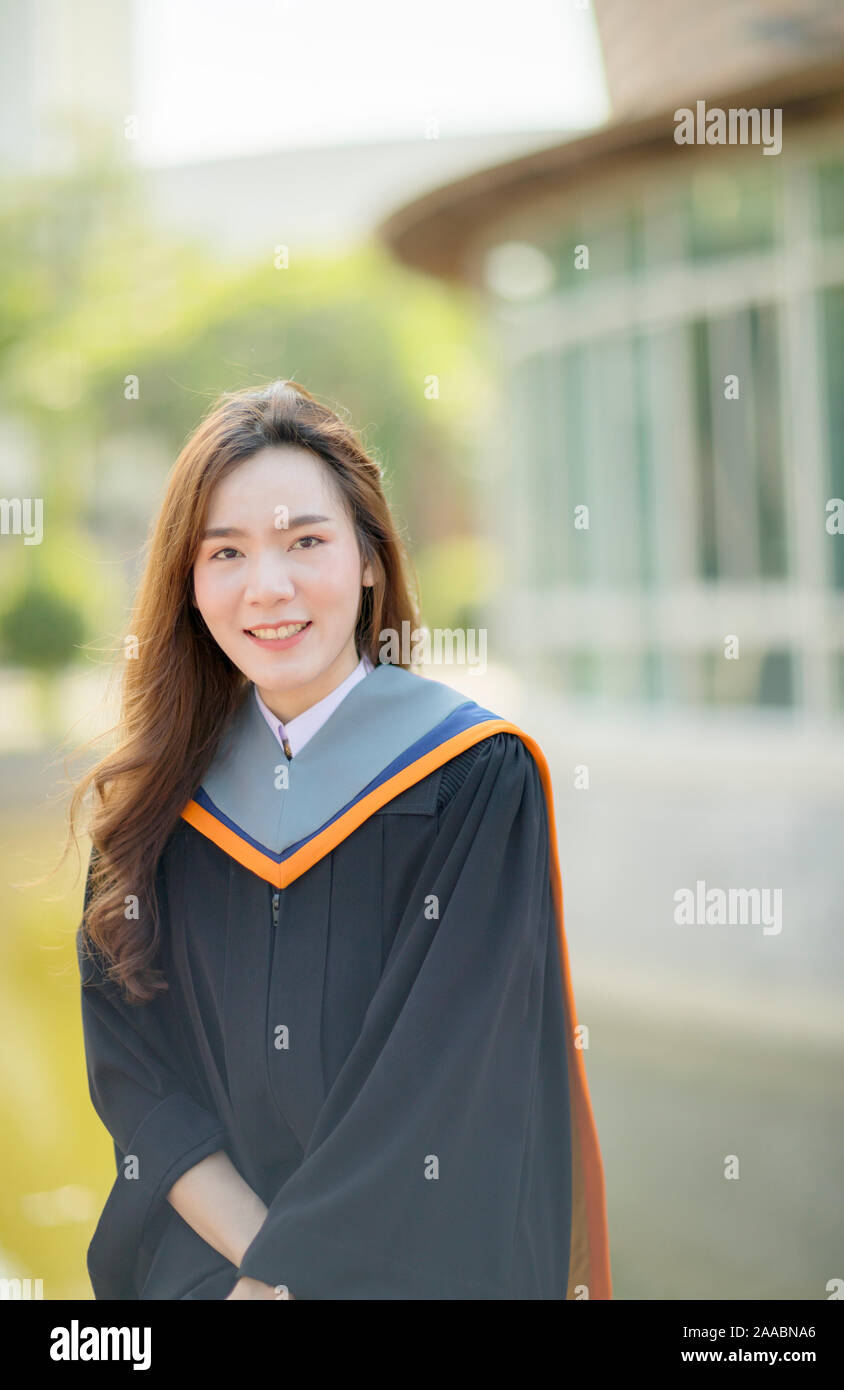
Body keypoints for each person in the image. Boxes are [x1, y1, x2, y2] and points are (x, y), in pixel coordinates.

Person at [70, 378, 611, 1300]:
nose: (267, 587)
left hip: (414, 1267)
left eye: (305, 541)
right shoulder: (161, 800)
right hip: (210, 1262)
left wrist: (295, 1276)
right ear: (189, 584)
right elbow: (134, 1072)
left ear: (368, 558)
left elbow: (442, 1082)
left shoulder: (471, 777)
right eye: (226, 552)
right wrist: (258, 1271)